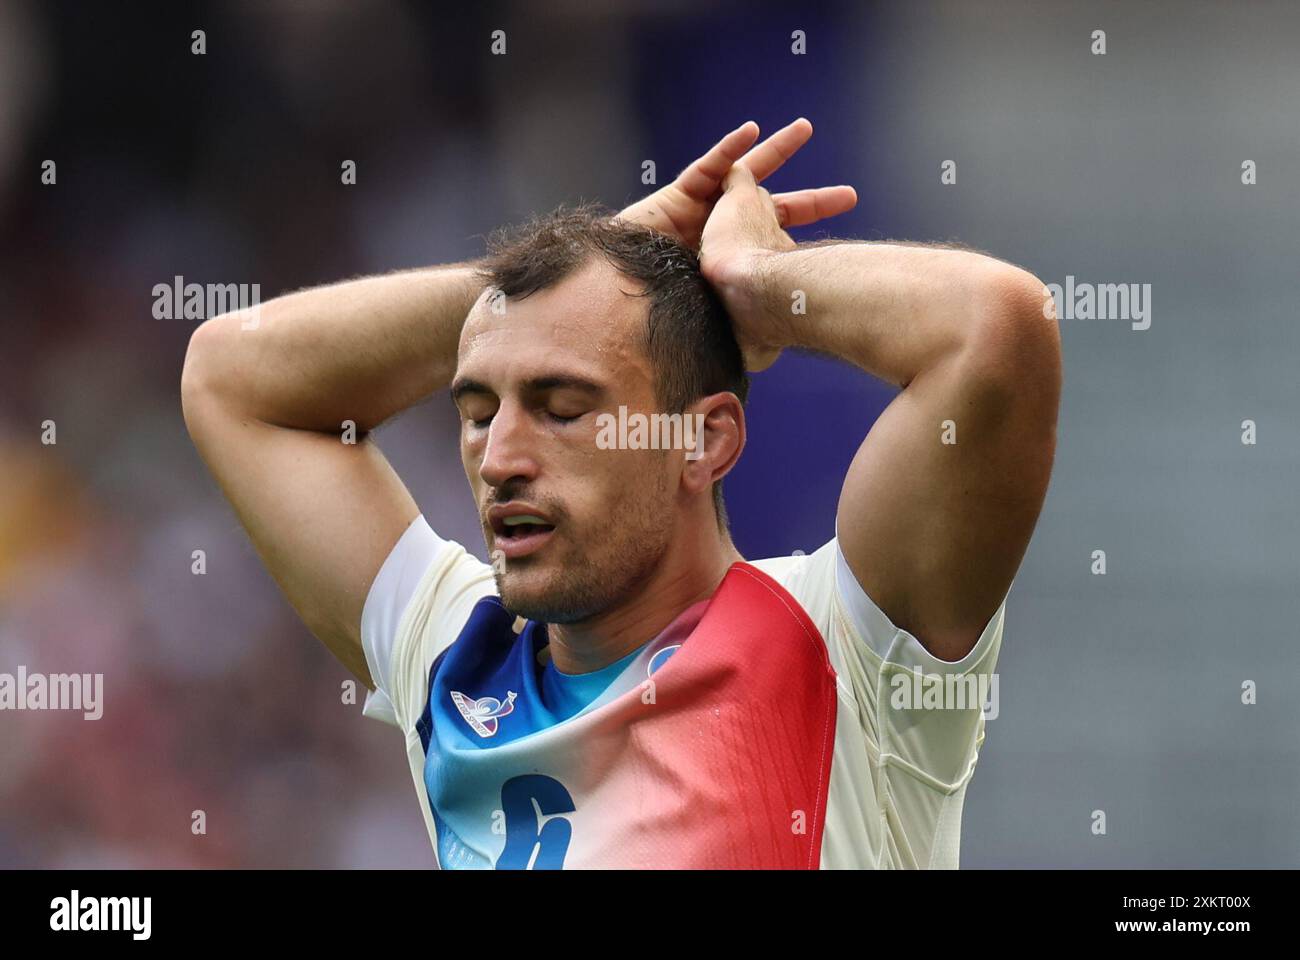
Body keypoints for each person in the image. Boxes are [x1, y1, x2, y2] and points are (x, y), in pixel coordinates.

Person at [181, 118, 1061, 868]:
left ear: (701, 440)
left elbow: (994, 330)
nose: (500, 459)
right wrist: (558, 283)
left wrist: (751, 282)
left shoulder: (846, 647)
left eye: (562, 409)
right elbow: (231, 375)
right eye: (479, 412)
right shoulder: (455, 660)